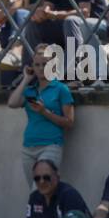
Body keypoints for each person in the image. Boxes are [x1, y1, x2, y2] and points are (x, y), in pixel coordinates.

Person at [6, 43, 75, 186]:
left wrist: (44, 112)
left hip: (51, 145)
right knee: (35, 192)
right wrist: (26, 79)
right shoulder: (30, 90)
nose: (41, 68)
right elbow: (12, 103)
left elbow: (69, 122)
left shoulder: (61, 89)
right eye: (37, 65)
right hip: (28, 146)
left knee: (42, 188)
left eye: (45, 64)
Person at [25, 159, 89, 218]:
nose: (41, 181)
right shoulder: (34, 197)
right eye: (37, 178)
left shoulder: (69, 195)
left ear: (57, 175)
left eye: (46, 177)